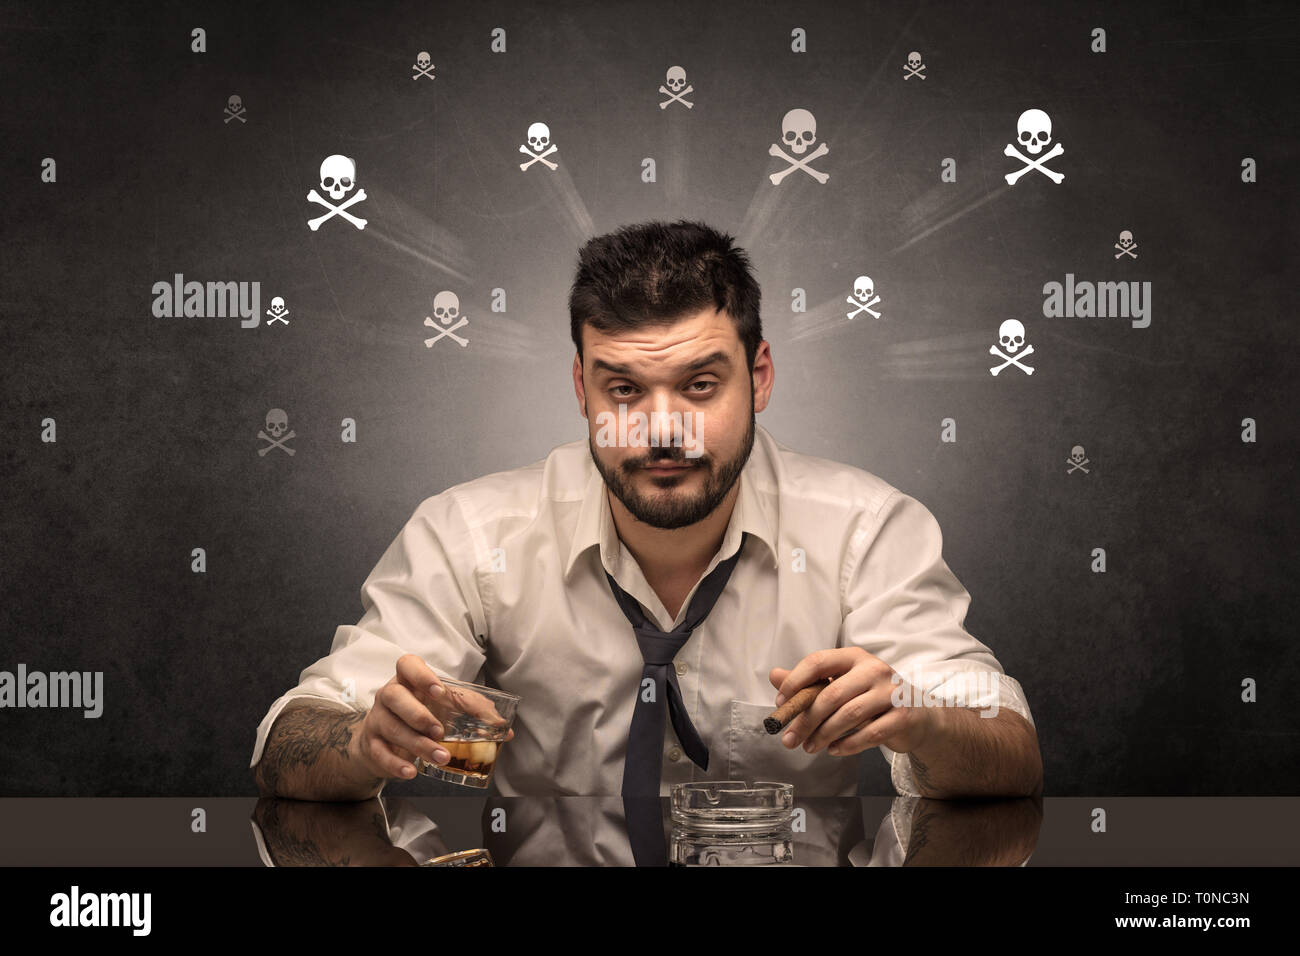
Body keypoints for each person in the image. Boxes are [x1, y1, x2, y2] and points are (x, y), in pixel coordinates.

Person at [251, 219, 1041, 801]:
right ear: (581, 387)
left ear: (759, 376)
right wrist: (360, 743)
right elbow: (290, 738)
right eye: (623, 389)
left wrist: (917, 716)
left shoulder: (866, 529)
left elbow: (1013, 753)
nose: (663, 429)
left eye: (701, 385)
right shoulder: (468, 535)